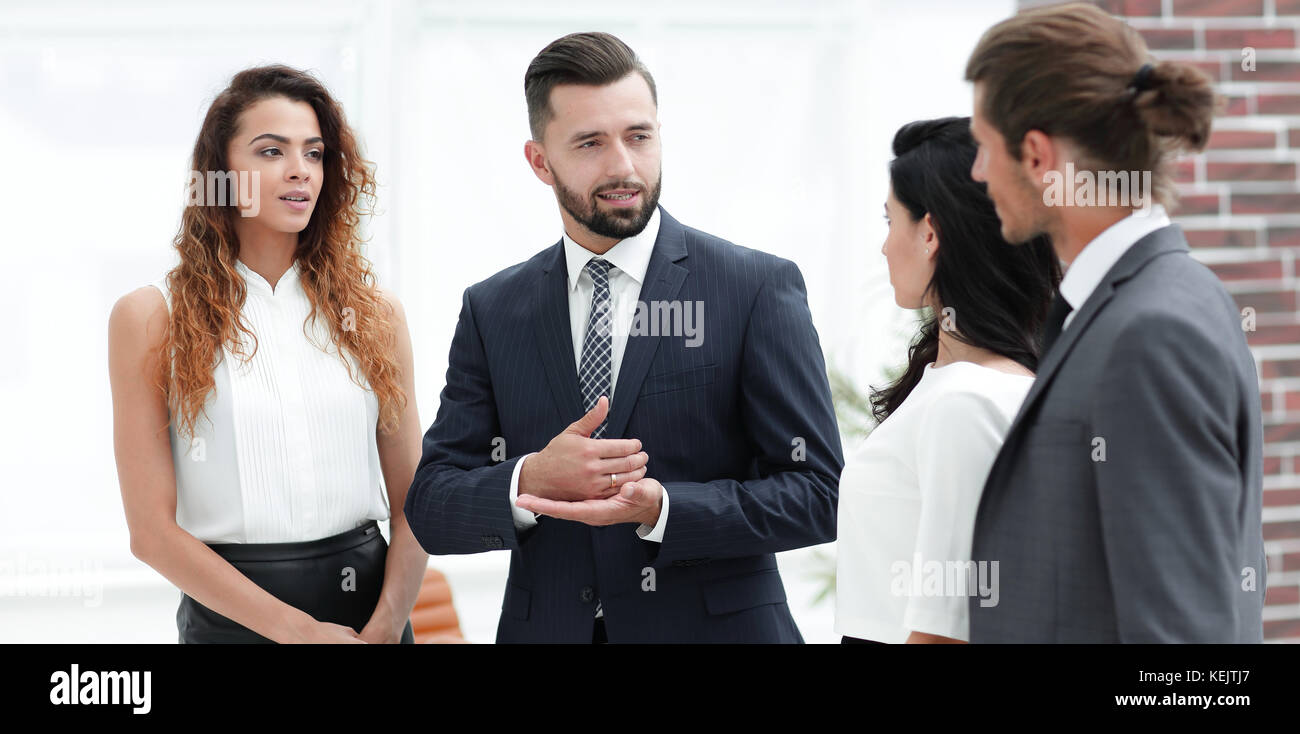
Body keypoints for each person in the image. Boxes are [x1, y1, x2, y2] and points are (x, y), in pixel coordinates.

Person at [404, 32, 842, 643]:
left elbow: (817, 493)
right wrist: (528, 478)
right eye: (590, 143)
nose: (624, 167)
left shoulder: (754, 288)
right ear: (539, 161)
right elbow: (431, 508)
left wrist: (663, 508)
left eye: (639, 136)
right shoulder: (493, 309)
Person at [964, 2, 1266, 642]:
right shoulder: (1149, 303)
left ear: (1039, 156)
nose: (977, 172)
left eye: (983, 146)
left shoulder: (1152, 332)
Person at [108, 64, 427, 643]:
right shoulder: (151, 318)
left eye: (314, 153)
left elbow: (414, 506)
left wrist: (384, 628)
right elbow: (150, 532)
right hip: (230, 624)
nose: (299, 171)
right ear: (221, 173)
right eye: (271, 151)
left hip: (371, 620)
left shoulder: (377, 315)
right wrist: (299, 632)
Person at [834, 117, 1059, 644]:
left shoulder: (968, 401)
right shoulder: (961, 385)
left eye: (890, 221)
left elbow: (949, 628)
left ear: (930, 233)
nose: (884, 246)